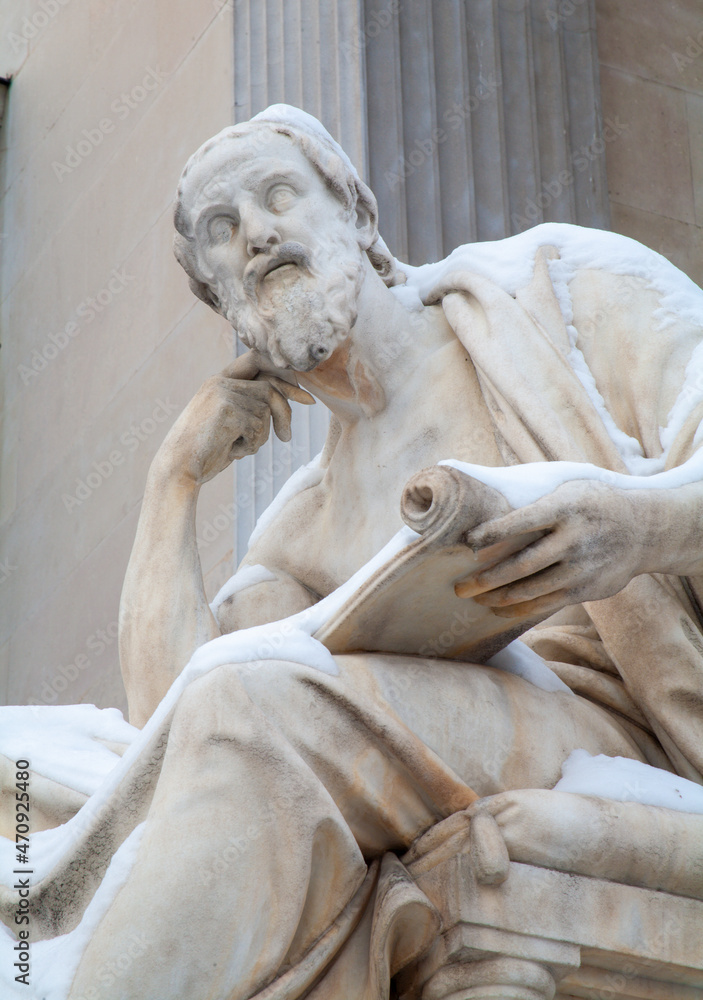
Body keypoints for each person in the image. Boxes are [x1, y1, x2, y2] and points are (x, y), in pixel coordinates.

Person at [3, 105, 703, 999]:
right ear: (221, 302)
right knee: (23, 766)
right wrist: (172, 481)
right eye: (222, 231)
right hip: (448, 741)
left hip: (618, 733)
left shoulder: (555, 291)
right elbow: (168, 733)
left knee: (256, 698)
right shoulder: (303, 527)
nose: (254, 233)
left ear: (359, 217)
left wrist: (639, 527)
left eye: (279, 195)